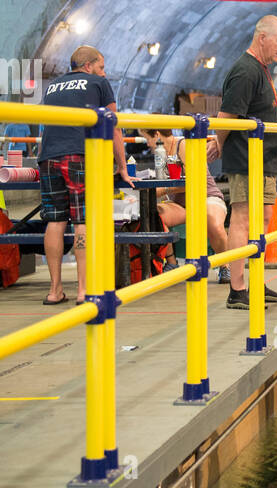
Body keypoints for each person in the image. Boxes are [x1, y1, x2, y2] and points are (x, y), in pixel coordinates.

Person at [206, 15, 277, 309]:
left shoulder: (260, 69)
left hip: (264, 161)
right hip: (247, 160)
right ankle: (237, 288)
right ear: (262, 37)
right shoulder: (245, 71)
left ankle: (255, 283)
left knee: (263, 218)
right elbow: (227, 117)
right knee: (242, 218)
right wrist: (219, 143)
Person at [38, 46, 133, 307]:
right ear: (89, 66)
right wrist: (122, 166)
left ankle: (54, 290)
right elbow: (113, 126)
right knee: (82, 220)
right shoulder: (98, 83)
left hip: (47, 157)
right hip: (78, 156)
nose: (104, 72)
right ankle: (83, 290)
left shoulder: (53, 85)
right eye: (101, 66)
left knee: (55, 221)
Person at [142, 130, 229, 282]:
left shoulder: (183, 145)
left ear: (156, 135)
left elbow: (194, 181)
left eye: (147, 138)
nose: (147, 144)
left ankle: (225, 267)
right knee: (153, 213)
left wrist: (160, 191)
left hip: (207, 197)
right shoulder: (160, 154)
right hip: (181, 205)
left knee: (212, 220)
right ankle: (171, 263)